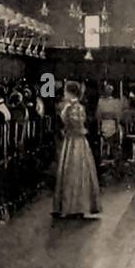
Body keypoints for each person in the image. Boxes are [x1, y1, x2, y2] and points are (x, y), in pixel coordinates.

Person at [53, 81, 100, 219]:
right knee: (75, 170)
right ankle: (71, 206)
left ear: (70, 92)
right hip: (73, 140)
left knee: (73, 170)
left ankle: (75, 207)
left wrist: (66, 126)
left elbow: (77, 124)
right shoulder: (72, 106)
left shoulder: (74, 107)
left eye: (65, 92)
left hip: (75, 140)